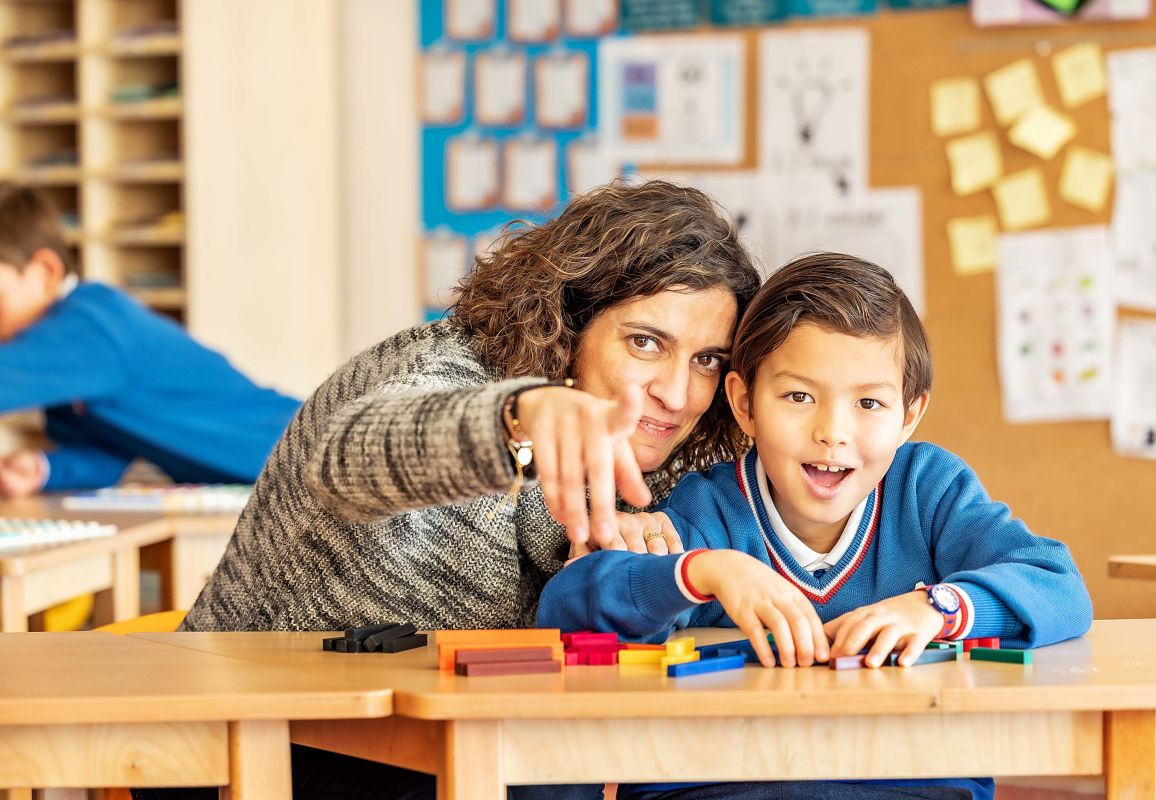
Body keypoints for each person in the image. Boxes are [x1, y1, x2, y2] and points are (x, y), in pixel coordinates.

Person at [158, 180, 760, 800]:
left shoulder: (647, 446)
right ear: (567, 318)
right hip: (250, 749)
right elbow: (347, 457)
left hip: (430, 741)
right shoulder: (443, 374)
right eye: (645, 342)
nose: (679, 393)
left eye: (706, 360)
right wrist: (515, 419)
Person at [538, 252, 1093, 800]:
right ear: (744, 404)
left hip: (916, 781)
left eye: (869, 402)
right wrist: (703, 571)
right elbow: (569, 607)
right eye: (799, 396)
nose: (833, 431)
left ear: (909, 416)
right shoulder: (707, 510)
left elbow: (1059, 585)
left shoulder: (930, 490)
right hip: (724, 784)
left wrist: (938, 608)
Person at [0, 183, 300, 497]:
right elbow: (107, 456)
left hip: (311, 457)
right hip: (270, 488)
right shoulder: (63, 361)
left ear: (46, 271)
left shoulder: (90, 325)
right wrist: (42, 469)